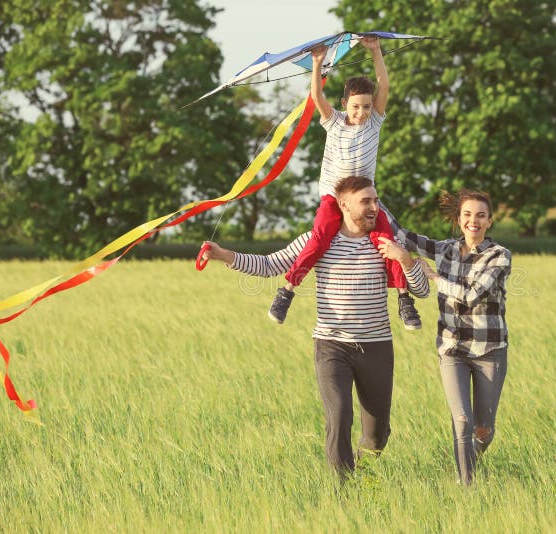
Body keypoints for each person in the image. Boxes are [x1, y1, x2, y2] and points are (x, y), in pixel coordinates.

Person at [202, 176, 429, 478]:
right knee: (339, 418)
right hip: (331, 346)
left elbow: (422, 291)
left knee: (377, 435)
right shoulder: (319, 239)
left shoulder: (387, 243)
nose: (375, 207)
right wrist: (223, 255)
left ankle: (363, 477)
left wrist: (405, 259)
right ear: (344, 204)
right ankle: (343, 493)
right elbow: (270, 265)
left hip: (376, 346)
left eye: (376, 201)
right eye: (366, 201)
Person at [268, 34, 422, 330]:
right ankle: (287, 291)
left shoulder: (374, 122)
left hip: (364, 199)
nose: (361, 113)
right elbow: (316, 96)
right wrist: (317, 62)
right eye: (356, 107)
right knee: (318, 239)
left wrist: (376, 51)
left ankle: (404, 299)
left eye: (366, 106)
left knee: (387, 240)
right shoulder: (334, 121)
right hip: (333, 197)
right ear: (344, 104)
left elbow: (384, 86)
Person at [377, 190, 511, 486]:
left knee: (483, 430)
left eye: (480, 215)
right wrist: (374, 198)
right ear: (459, 219)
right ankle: (467, 487)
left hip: (489, 350)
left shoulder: (499, 256)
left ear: (489, 221)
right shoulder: (445, 249)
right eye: (467, 214)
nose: (473, 221)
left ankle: (471, 458)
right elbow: (403, 234)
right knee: (461, 421)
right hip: (452, 349)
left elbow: (472, 296)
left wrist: (435, 278)